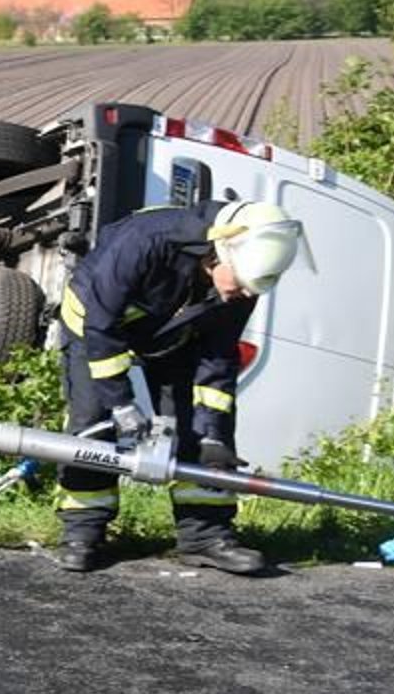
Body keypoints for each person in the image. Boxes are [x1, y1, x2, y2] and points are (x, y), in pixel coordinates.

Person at [53, 198, 304, 575]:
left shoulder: (242, 283)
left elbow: (218, 358)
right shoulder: (145, 241)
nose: (246, 295)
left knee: (197, 429)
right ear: (218, 254)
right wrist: (121, 403)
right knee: (93, 424)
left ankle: (205, 536)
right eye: (241, 284)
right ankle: (83, 531)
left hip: (170, 336)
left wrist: (211, 433)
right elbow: (100, 323)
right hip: (94, 323)